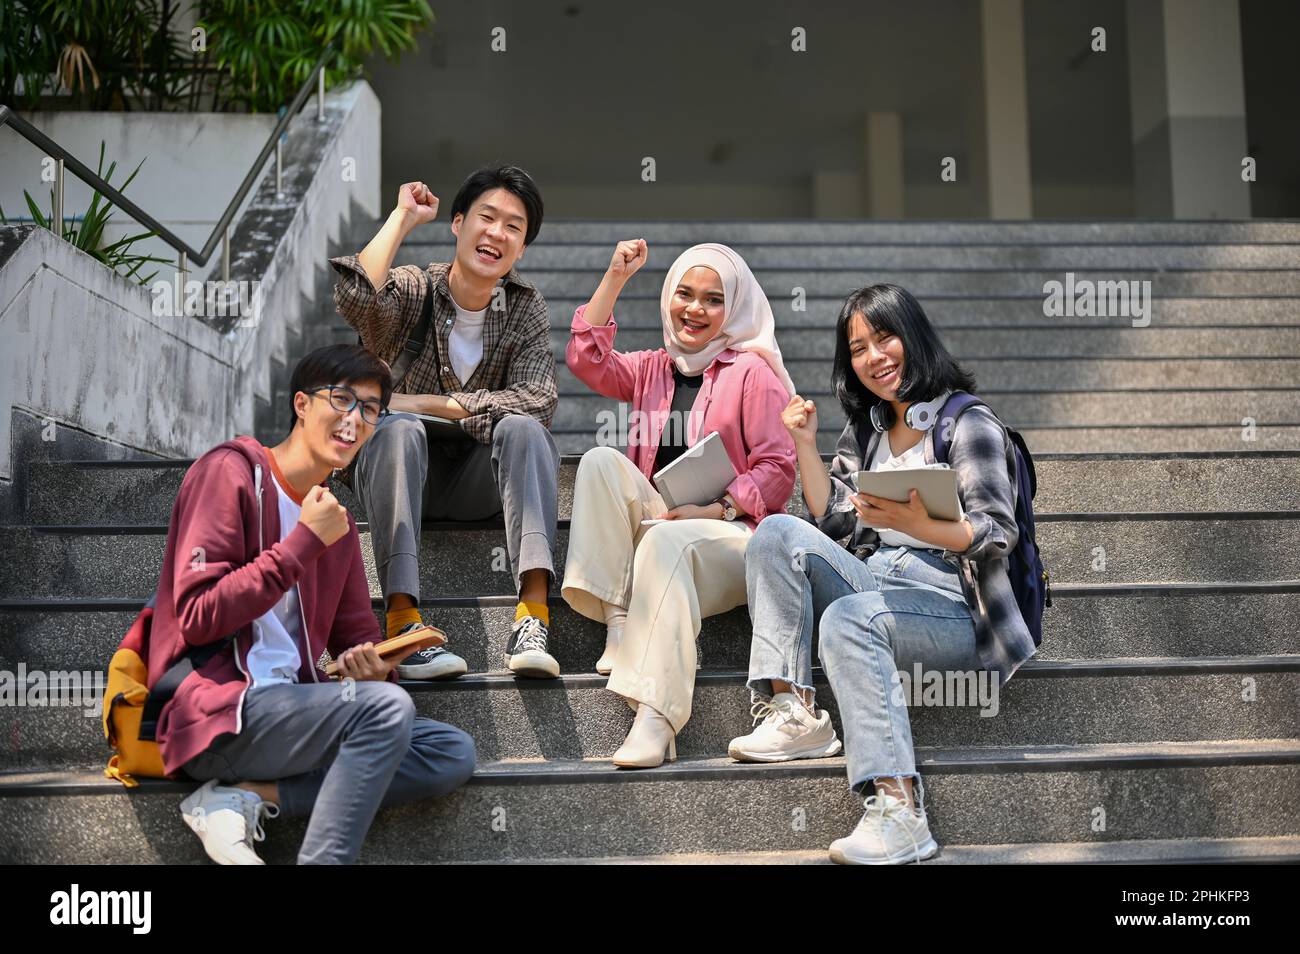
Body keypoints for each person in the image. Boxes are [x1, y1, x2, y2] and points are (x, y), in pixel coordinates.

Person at [729, 283, 1035, 864]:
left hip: (951, 604)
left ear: (913, 335)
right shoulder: (868, 429)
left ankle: (900, 810)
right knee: (773, 532)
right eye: (859, 347)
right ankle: (796, 713)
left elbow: (997, 532)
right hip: (879, 581)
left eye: (885, 336)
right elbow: (835, 520)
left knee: (849, 617)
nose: (875, 357)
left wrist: (922, 523)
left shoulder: (967, 423)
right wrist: (802, 444)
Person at [154, 344, 477, 865]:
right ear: (301, 404)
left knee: (448, 751)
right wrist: (302, 544)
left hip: (294, 711)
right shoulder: (232, 474)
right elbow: (196, 615)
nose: (356, 420)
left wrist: (374, 669)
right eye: (343, 400)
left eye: (370, 409)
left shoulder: (337, 524)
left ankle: (248, 797)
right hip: (216, 712)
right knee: (385, 712)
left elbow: (356, 640)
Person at [562, 240, 797, 768]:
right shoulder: (654, 369)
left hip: (733, 539)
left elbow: (779, 471)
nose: (695, 309)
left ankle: (658, 717)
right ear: (668, 297)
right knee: (600, 459)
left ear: (732, 308)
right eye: (684, 295)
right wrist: (616, 278)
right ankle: (620, 619)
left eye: (713, 300)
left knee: (668, 535)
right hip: (665, 528)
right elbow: (586, 359)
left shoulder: (752, 373)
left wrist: (716, 510)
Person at [330, 165, 562, 680]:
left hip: (476, 485)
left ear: (521, 248)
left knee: (525, 429)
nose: (496, 234)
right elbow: (355, 298)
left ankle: (533, 618)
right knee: (398, 429)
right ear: (458, 223)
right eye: (487, 217)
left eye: (513, 227)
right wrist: (402, 217)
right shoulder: (418, 290)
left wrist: (423, 402)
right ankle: (403, 623)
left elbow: (538, 400)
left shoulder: (524, 308)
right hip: (396, 477)